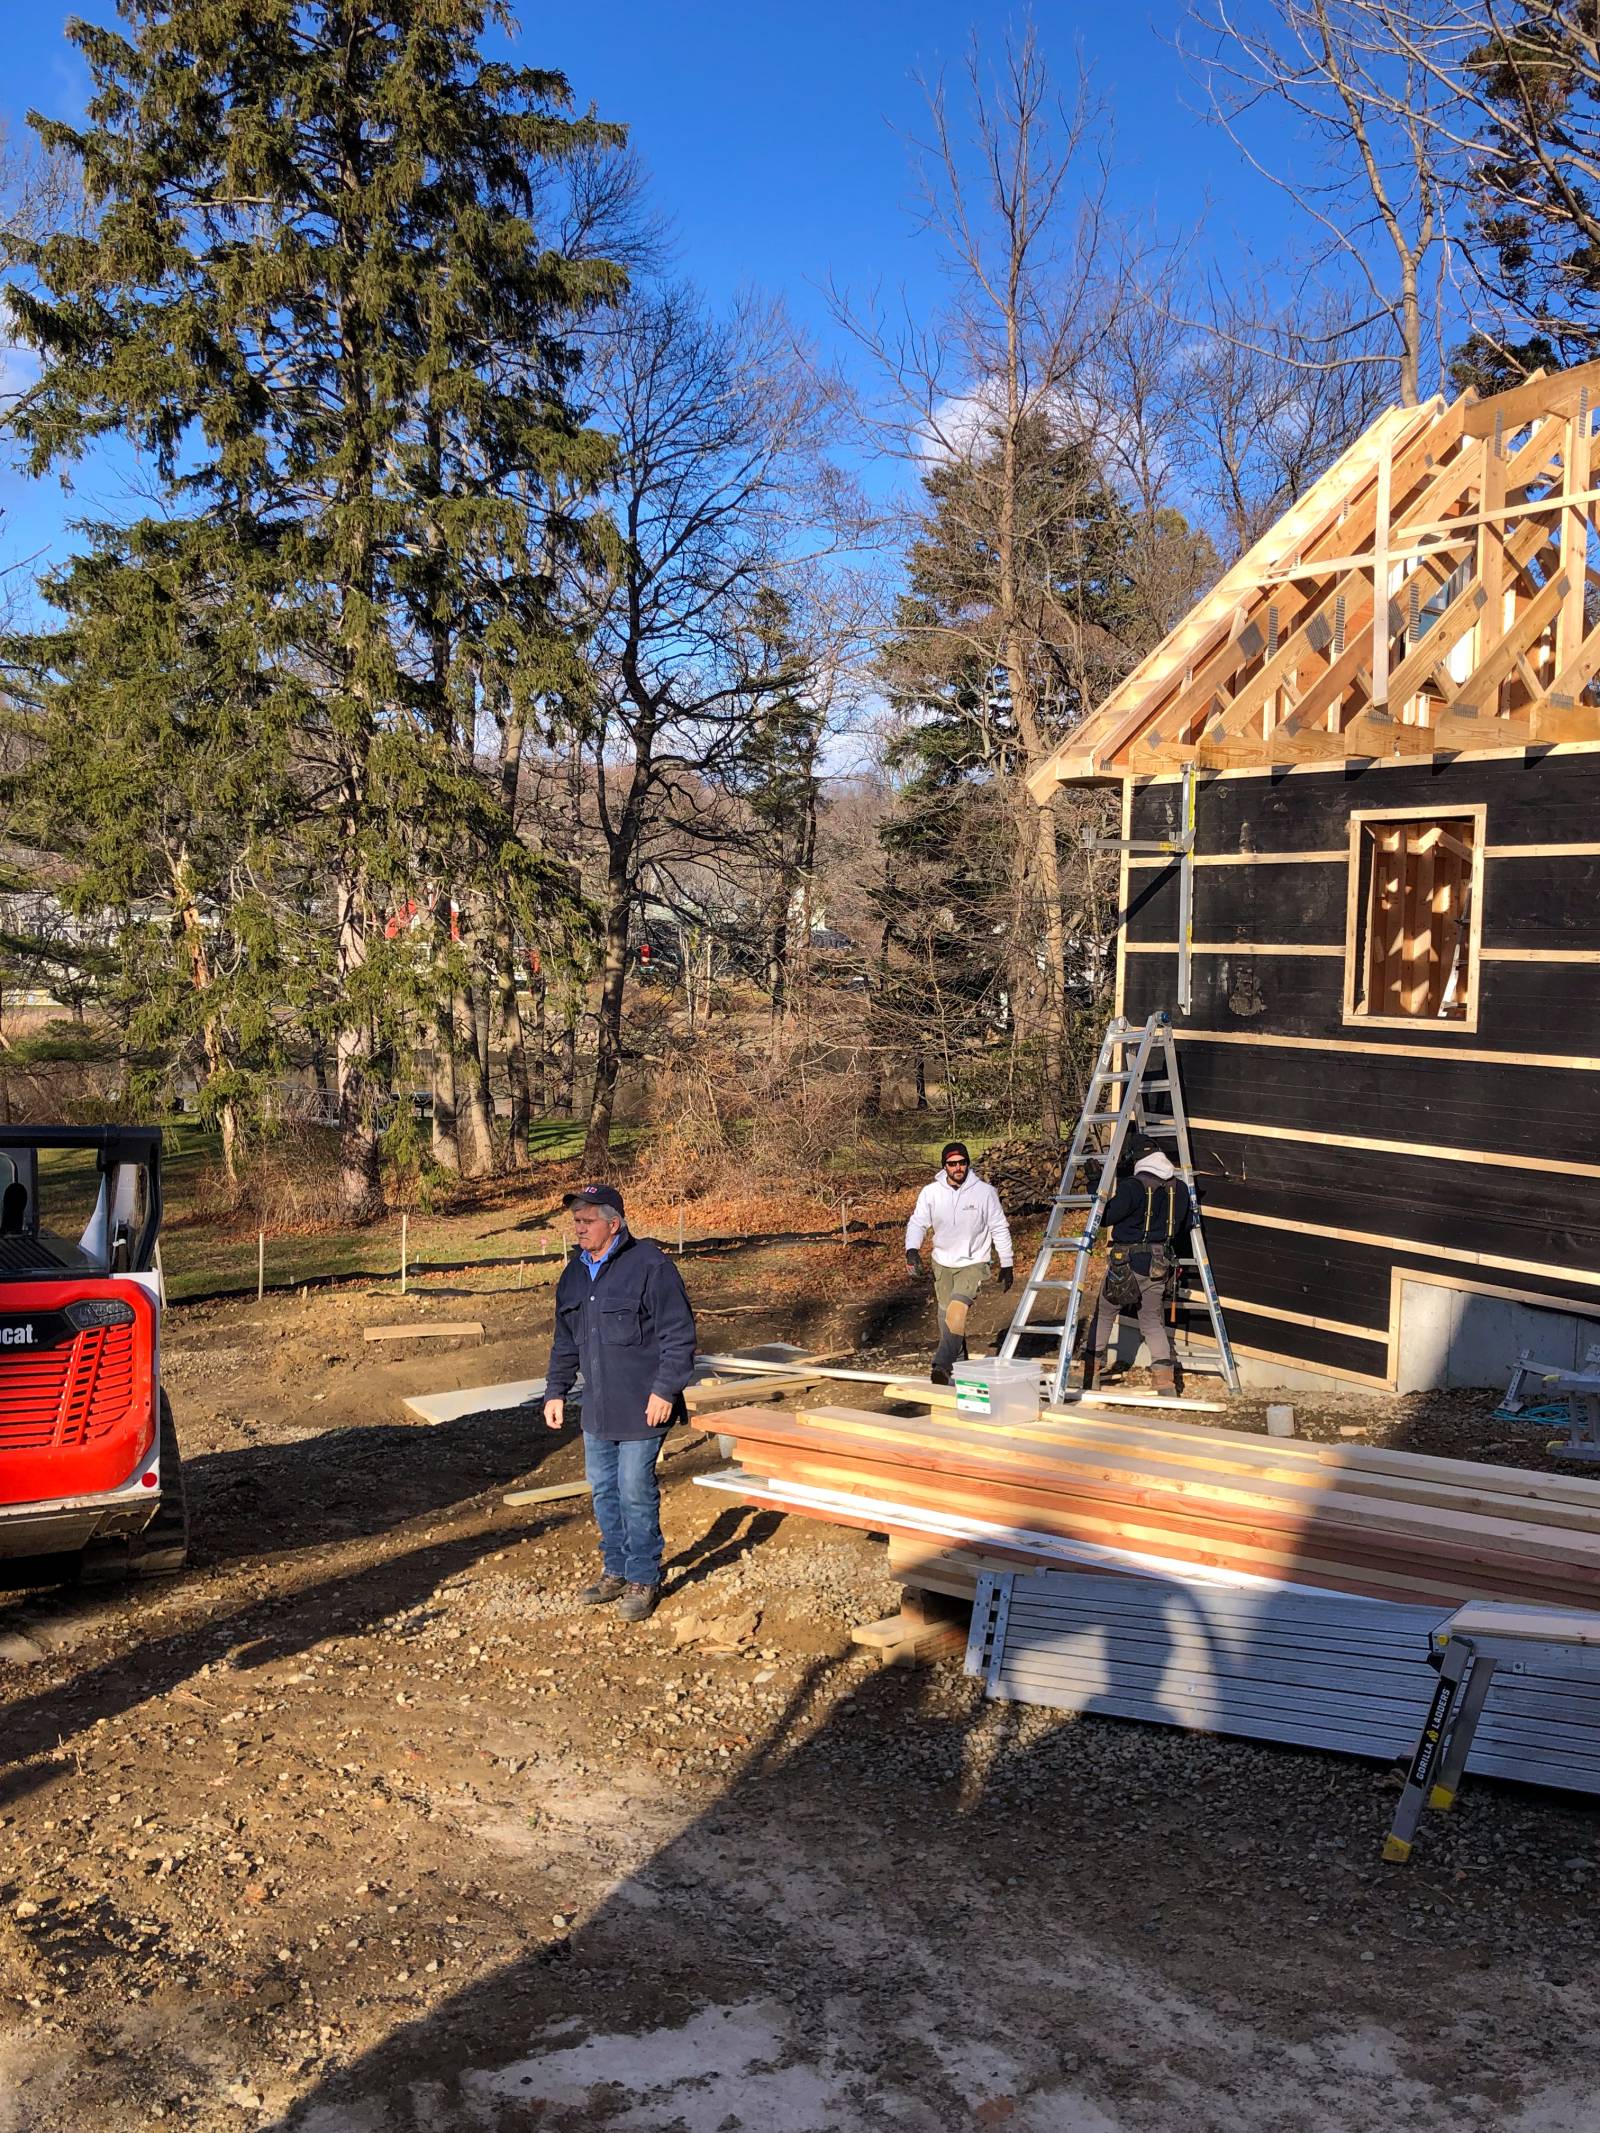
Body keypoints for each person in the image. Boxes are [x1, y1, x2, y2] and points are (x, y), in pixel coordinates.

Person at [542, 1183, 697, 1622]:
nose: (579, 1228)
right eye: (575, 1220)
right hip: (598, 1408)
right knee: (605, 1491)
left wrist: (665, 1390)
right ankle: (616, 1568)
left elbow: (678, 1334)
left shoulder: (650, 1265)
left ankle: (644, 1577)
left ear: (615, 1223)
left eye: (588, 1220)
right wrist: (556, 1391)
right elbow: (564, 1342)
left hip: (644, 1405)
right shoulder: (574, 1274)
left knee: (634, 1491)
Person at [1083, 1135, 1191, 1398]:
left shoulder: (1134, 1186)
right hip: (1158, 1264)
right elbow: (1185, 1226)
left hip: (1126, 1264)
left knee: (1105, 1314)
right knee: (1153, 1321)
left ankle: (1090, 1376)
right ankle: (1165, 1384)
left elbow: (1106, 1217)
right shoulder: (1181, 1188)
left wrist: (1095, 1184)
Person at [904, 1141, 1015, 1385]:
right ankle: (960, 1372)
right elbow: (917, 1222)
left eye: (962, 1163)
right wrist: (911, 1250)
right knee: (947, 1319)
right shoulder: (931, 1193)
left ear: (968, 1164)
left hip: (974, 1261)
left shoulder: (984, 1193)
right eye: (952, 1164)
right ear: (944, 1166)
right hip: (942, 1262)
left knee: (957, 1310)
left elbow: (999, 1226)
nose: (958, 1168)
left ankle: (941, 1366)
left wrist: (1007, 1262)